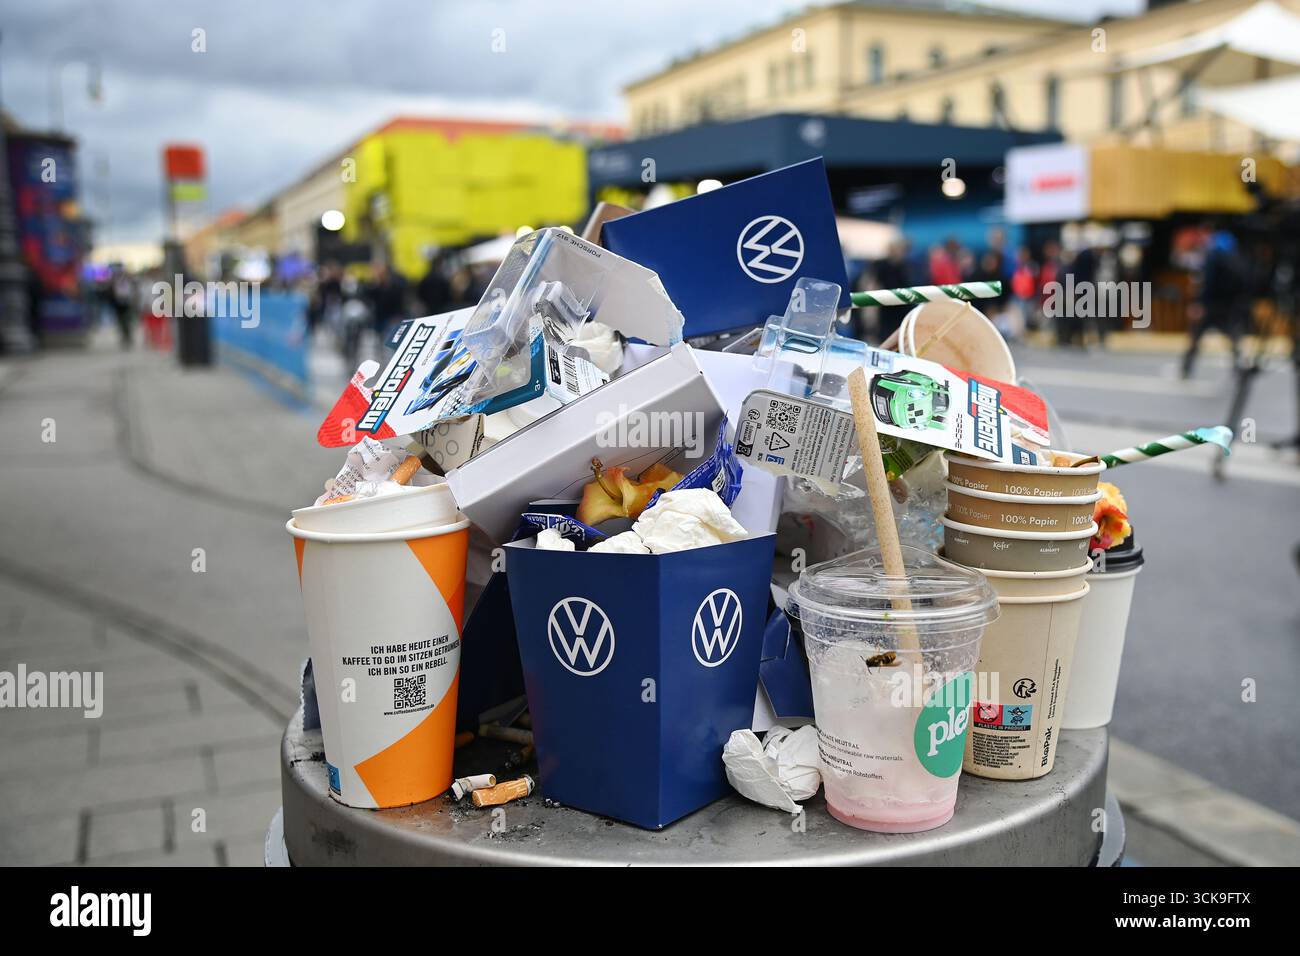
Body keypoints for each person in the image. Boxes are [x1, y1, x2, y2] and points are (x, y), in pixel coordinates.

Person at [1181, 229, 1247, 378]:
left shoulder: (1213, 257)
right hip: (1229, 306)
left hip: (1210, 305)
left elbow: (1207, 283)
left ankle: (1186, 368)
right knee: (1234, 338)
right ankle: (1238, 368)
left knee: (1196, 338)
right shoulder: (1236, 256)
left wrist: (1199, 303)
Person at [416, 251, 453, 316]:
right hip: (441, 307)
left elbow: (420, 293)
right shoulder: (441, 278)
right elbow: (447, 293)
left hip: (430, 307)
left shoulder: (425, 278)